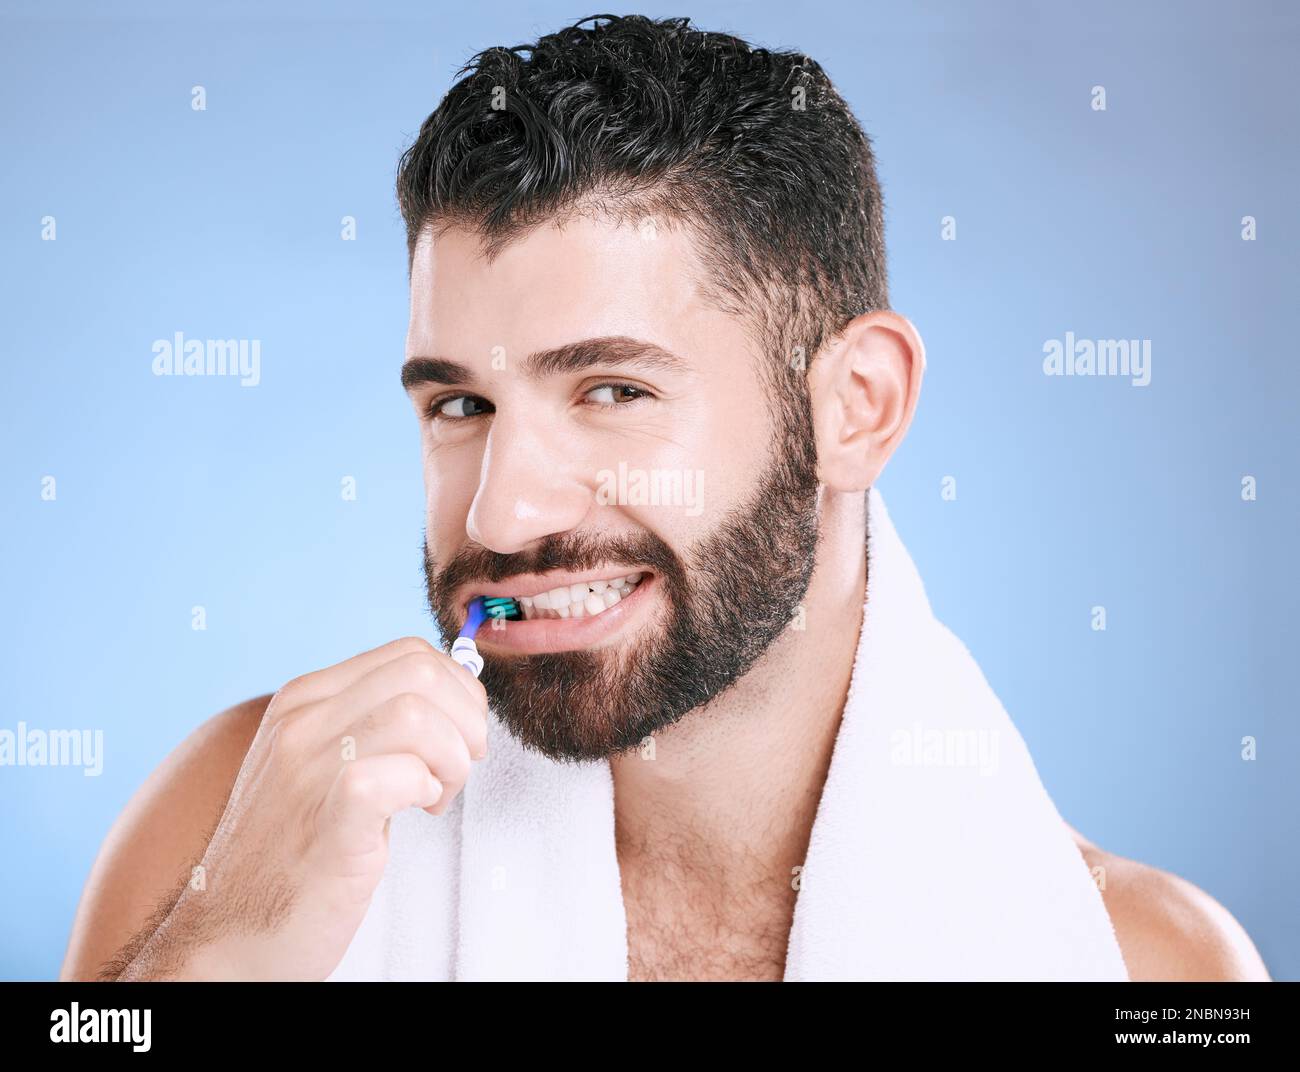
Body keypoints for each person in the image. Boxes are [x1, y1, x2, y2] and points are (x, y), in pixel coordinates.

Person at [62, 13, 1269, 982]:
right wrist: (217, 956)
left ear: (856, 406)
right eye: (459, 405)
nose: (499, 518)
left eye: (611, 389)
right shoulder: (233, 822)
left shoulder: (1148, 968)